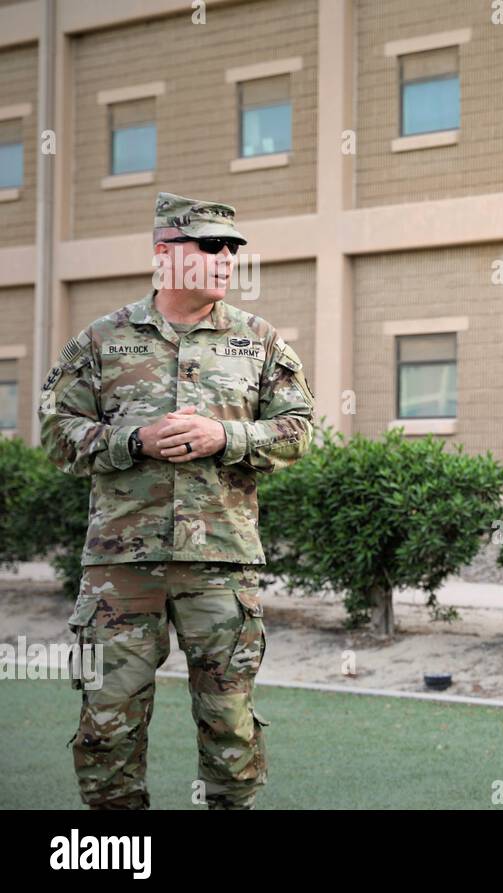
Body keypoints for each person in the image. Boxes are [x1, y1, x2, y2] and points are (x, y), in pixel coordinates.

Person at [39, 191, 315, 809]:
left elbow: (299, 430)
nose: (226, 259)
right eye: (211, 246)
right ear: (165, 254)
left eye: (233, 249)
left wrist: (228, 436)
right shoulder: (103, 340)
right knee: (107, 725)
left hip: (221, 566)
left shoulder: (259, 341)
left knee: (230, 727)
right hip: (119, 571)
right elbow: (56, 434)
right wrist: (132, 440)